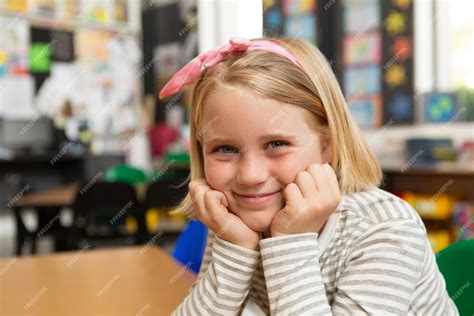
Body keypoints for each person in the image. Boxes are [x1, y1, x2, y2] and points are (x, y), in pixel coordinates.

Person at [159, 37, 458, 315]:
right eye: (225, 148)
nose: (250, 176)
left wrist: (290, 240)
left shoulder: (384, 227)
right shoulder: (236, 216)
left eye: (276, 144)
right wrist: (234, 247)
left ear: (327, 145)